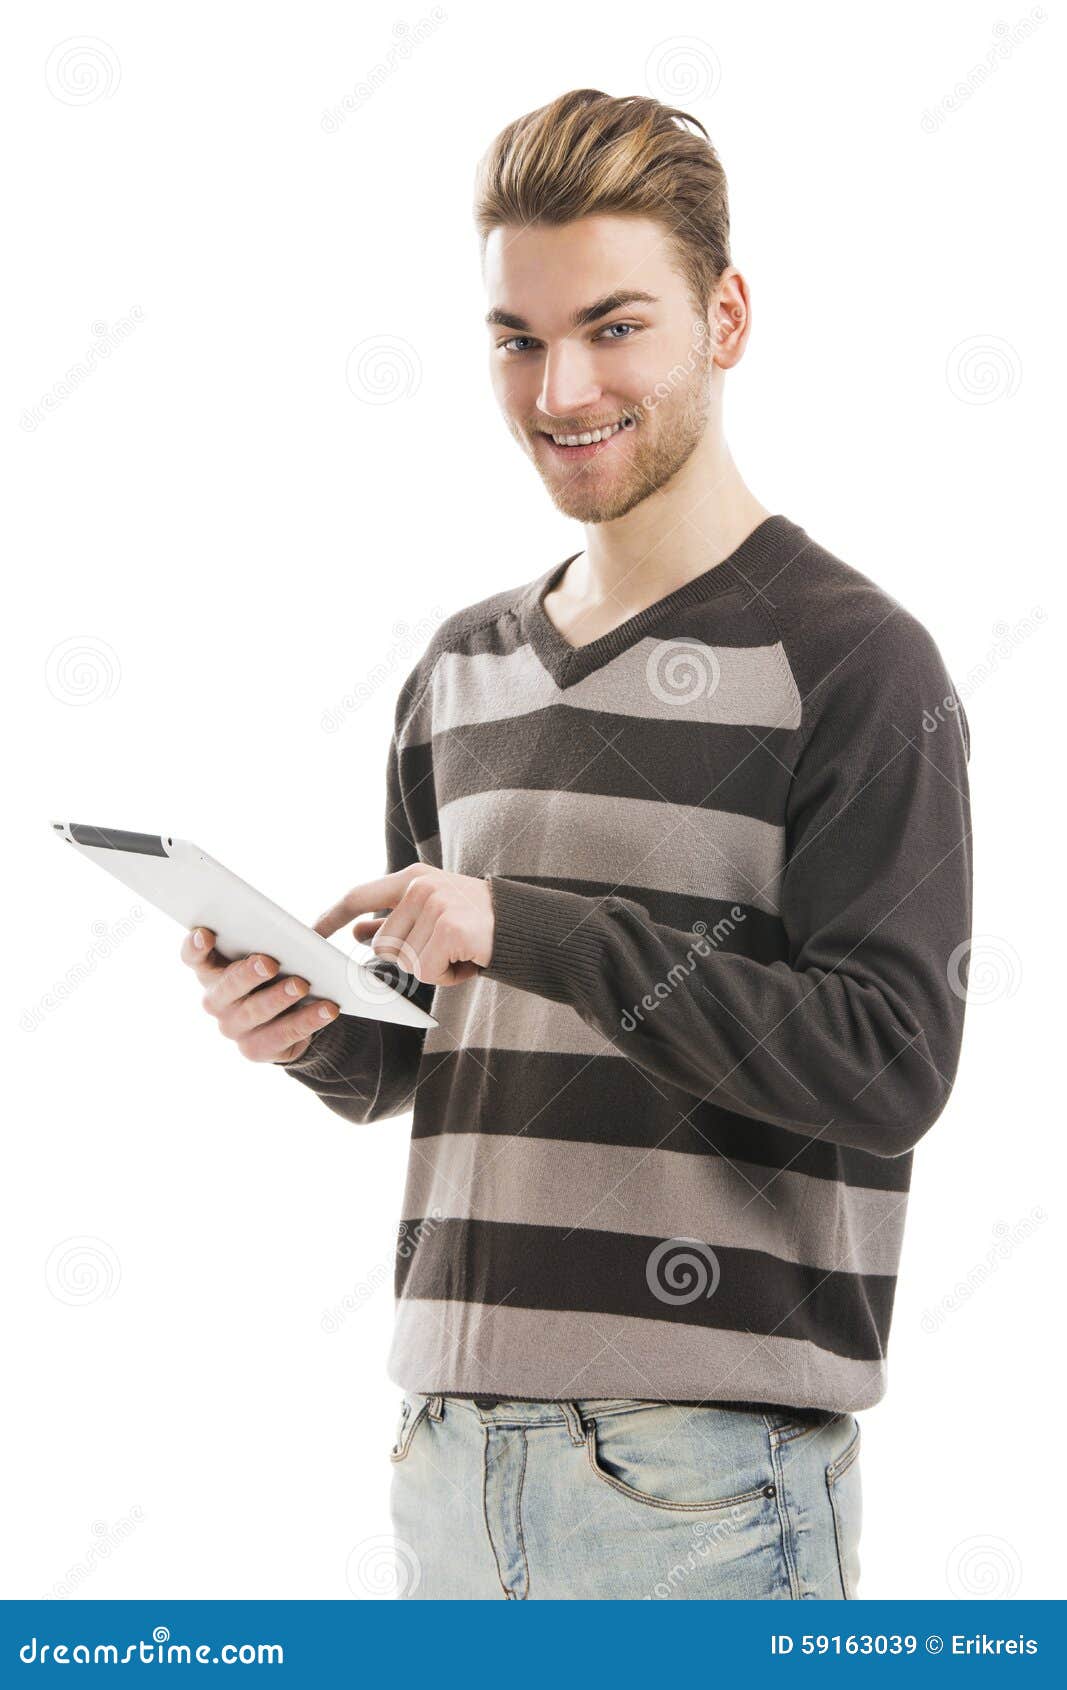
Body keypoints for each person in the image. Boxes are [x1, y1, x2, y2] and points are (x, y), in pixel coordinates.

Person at [181, 88, 972, 1600]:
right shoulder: (461, 668)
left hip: (703, 1488)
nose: (562, 387)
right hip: (448, 1468)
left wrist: (529, 923)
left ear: (725, 318)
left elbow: (888, 1066)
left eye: (615, 327)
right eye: (518, 338)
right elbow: (440, 1048)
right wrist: (307, 1025)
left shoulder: (860, 664)